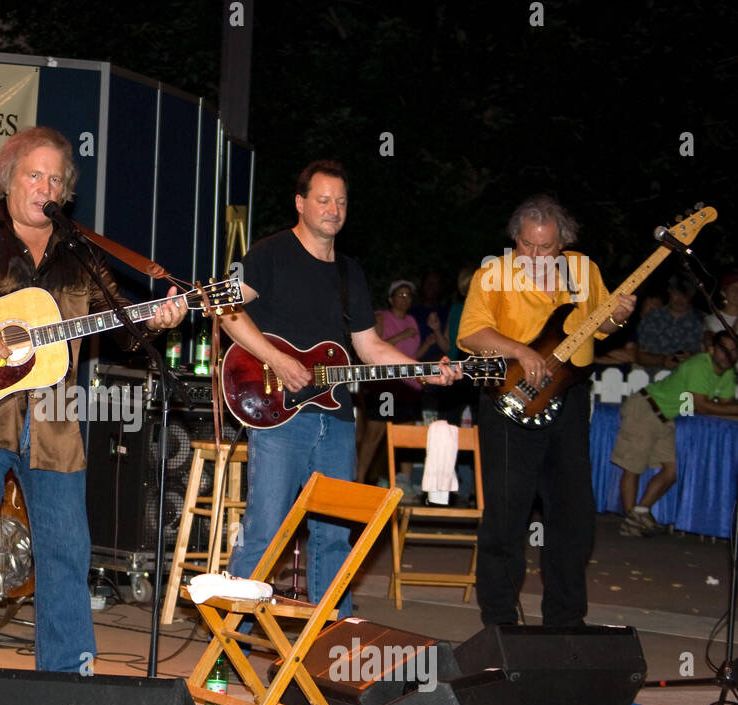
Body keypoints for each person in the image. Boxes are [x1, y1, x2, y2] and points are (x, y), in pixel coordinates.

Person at [0, 126, 182, 705]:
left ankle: (65, 693)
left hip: (54, 423)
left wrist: (155, 321)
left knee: (67, 559)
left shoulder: (78, 251)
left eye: (56, 180)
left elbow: (118, 326)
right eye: (35, 174)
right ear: (8, 177)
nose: (45, 187)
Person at [220, 160, 456, 617]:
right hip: (279, 416)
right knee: (266, 530)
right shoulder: (269, 254)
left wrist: (422, 369)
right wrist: (277, 359)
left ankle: (333, 649)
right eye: (324, 200)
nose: (333, 209)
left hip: (338, 419)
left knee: (335, 535)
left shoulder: (351, 273)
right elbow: (225, 310)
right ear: (301, 203)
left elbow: (369, 347)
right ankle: (230, 651)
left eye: (341, 202)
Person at [458, 194, 635, 627]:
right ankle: (499, 619)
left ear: (563, 244)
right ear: (515, 239)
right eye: (527, 245)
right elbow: (471, 334)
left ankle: (566, 618)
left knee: (573, 511)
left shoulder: (583, 270)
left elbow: (603, 324)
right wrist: (521, 350)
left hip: (569, 398)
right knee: (506, 512)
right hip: (507, 396)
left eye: (546, 247)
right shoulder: (493, 274)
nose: (535, 256)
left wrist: (618, 316)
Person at [614, 331, 738, 536]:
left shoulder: (727, 373)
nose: (729, 355)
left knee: (672, 472)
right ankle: (630, 521)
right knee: (633, 466)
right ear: (712, 350)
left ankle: (640, 511)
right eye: (724, 350)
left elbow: (724, 408)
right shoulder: (700, 364)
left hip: (667, 416)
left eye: (734, 351)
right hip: (645, 407)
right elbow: (702, 407)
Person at [355, 279, 430, 488]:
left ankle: (403, 482)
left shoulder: (413, 321)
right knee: (376, 433)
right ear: (390, 299)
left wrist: (428, 345)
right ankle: (359, 480)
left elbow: (412, 355)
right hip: (386, 386)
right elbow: (373, 349)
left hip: (410, 386)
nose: (405, 299)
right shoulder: (381, 317)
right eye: (401, 295)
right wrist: (402, 335)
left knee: (407, 436)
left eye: (409, 296)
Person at [635, 275, 704, 369]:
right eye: (676, 293)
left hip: (687, 377)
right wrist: (664, 360)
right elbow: (640, 357)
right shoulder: (652, 318)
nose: (680, 299)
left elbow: (709, 357)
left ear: (692, 294)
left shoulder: (702, 321)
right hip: (655, 377)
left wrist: (692, 359)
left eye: (684, 295)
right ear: (669, 291)